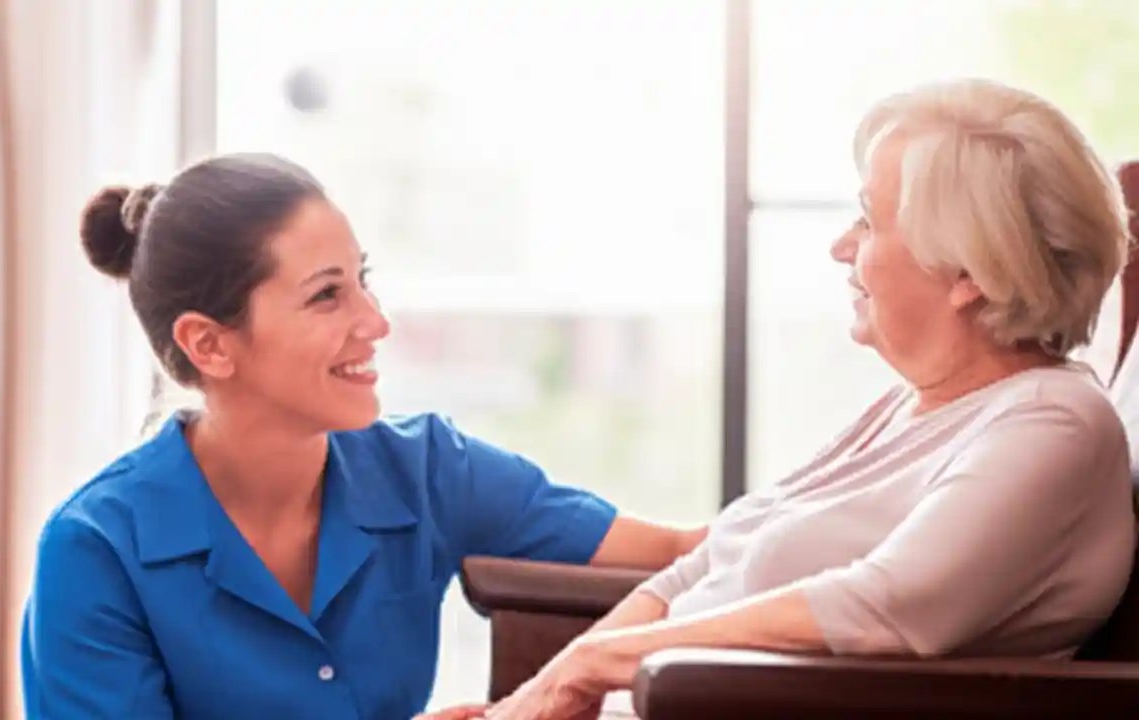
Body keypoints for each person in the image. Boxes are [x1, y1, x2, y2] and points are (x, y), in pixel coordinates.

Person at [474, 78, 1138, 719]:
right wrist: (536, 696)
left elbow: (885, 607)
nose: (840, 246)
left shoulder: (1056, 427)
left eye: (870, 222)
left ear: (970, 270)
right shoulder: (918, 407)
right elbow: (694, 572)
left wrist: (592, 666)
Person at [19, 154, 706, 720]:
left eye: (363, 281)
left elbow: (680, 554)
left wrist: (813, 546)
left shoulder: (427, 470)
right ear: (209, 344)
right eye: (327, 295)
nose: (375, 322)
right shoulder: (96, 550)